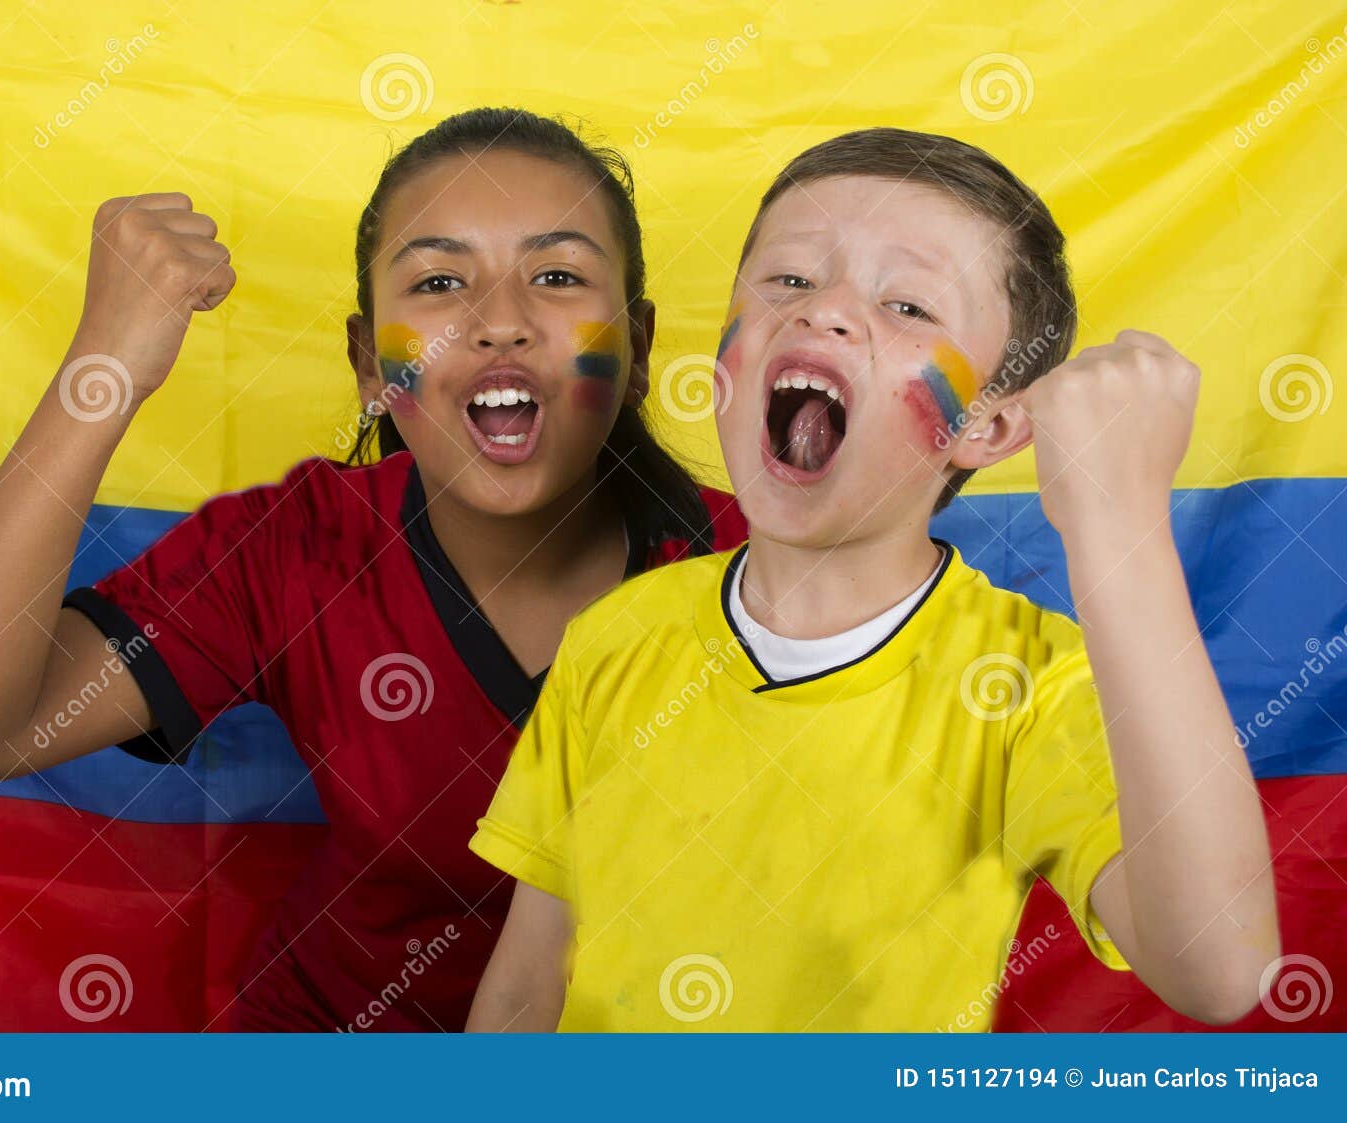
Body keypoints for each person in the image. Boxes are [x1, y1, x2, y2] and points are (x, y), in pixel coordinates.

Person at [0, 107, 745, 1032]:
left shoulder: (761, 573)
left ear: (641, 347)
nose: (501, 321)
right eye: (442, 280)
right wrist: (107, 364)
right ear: (371, 363)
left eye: (559, 275)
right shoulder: (302, 546)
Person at [466, 127, 1279, 1032]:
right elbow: (526, 981)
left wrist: (1120, 524)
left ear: (991, 427)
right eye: (791, 279)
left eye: (908, 305)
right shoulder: (611, 639)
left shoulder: (1031, 687)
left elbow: (1223, 967)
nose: (827, 313)